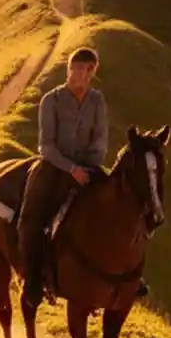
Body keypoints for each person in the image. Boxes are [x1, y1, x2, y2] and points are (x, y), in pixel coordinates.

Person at [17, 48, 149, 307]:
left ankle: (127, 276)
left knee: (119, 206)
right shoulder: (51, 101)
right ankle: (33, 281)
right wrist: (71, 170)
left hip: (88, 167)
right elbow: (47, 145)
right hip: (55, 168)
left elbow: (100, 140)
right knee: (30, 217)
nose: (84, 74)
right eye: (79, 68)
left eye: (89, 70)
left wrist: (89, 166)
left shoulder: (97, 101)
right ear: (70, 69)